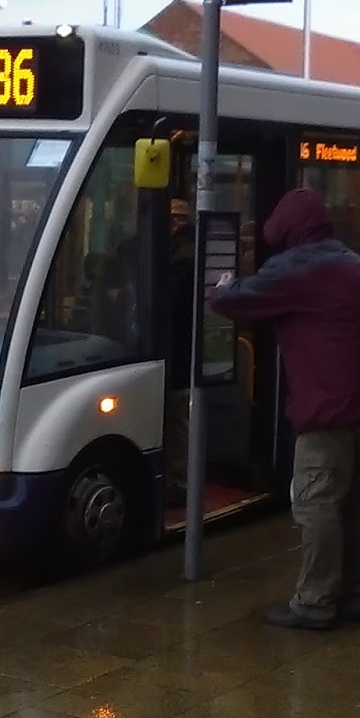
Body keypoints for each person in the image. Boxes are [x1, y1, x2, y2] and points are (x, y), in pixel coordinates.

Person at [208, 188, 360, 630]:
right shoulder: (355, 264)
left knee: (317, 504)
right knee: (351, 508)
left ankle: (314, 603)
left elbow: (235, 301)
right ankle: (348, 595)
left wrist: (223, 288)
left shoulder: (298, 266)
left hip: (329, 410)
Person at [165, 198, 195, 505]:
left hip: (180, 348)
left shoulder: (184, 253)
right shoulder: (178, 249)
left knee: (178, 419)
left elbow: (172, 300)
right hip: (177, 348)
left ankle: (185, 483)